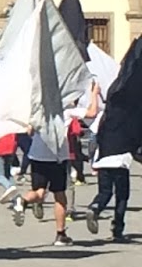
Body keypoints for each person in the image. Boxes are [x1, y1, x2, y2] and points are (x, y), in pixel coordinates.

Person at [10, 81, 99, 246]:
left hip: (37, 154)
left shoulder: (39, 108)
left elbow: (29, 131)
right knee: (60, 195)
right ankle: (60, 234)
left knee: (39, 191)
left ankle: (22, 200)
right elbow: (92, 113)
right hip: (57, 156)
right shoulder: (66, 109)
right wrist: (94, 94)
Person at [85, 96, 132, 242]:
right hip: (120, 162)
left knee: (105, 192)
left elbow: (93, 140)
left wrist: (92, 160)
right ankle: (117, 229)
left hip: (103, 161)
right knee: (122, 196)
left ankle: (95, 207)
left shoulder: (102, 118)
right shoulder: (128, 119)